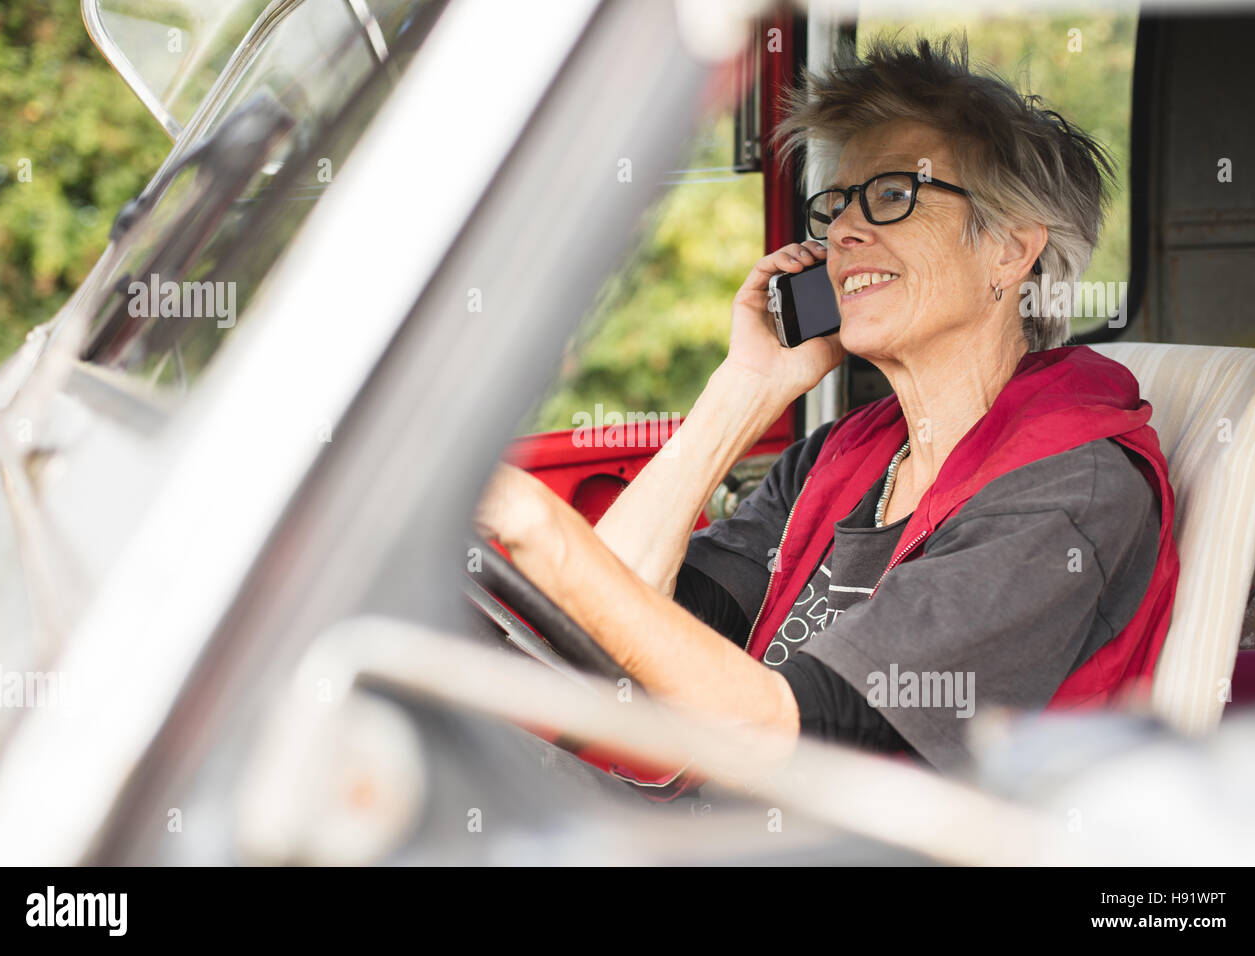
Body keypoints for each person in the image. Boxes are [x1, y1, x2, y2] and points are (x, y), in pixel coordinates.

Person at [473, 36, 1179, 785]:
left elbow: (794, 738)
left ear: (1009, 250)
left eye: (892, 195)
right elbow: (602, 630)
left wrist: (539, 524)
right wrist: (745, 388)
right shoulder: (843, 457)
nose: (843, 232)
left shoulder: (1068, 493)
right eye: (836, 204)